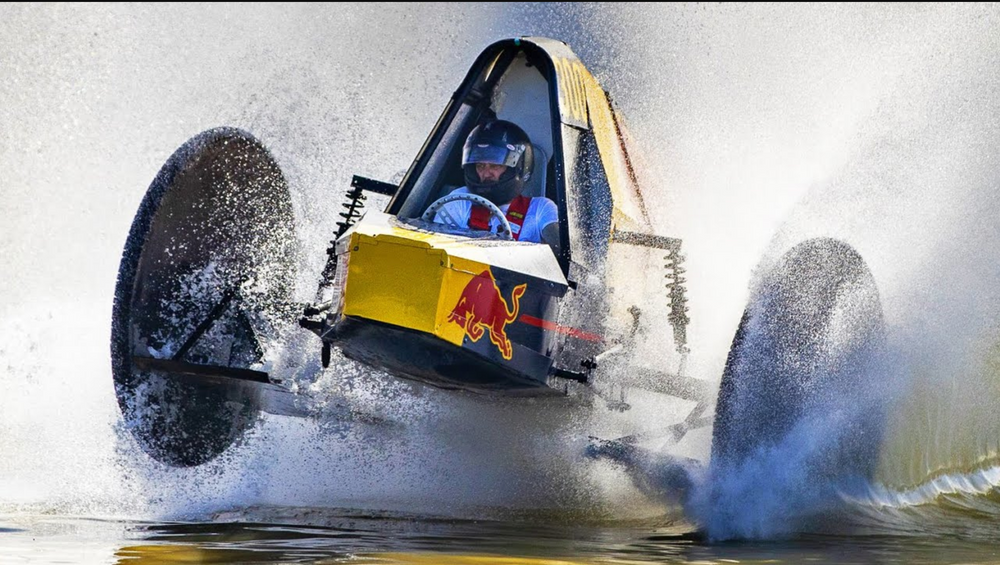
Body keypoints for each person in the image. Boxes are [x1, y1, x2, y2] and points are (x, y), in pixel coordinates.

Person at [432, 120, 560, 248]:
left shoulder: (540, 209)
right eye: (480, 166)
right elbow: (438, 248)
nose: (486, 174)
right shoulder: (459, 198)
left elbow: (561, 251)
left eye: (495, 166)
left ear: (518, 168)